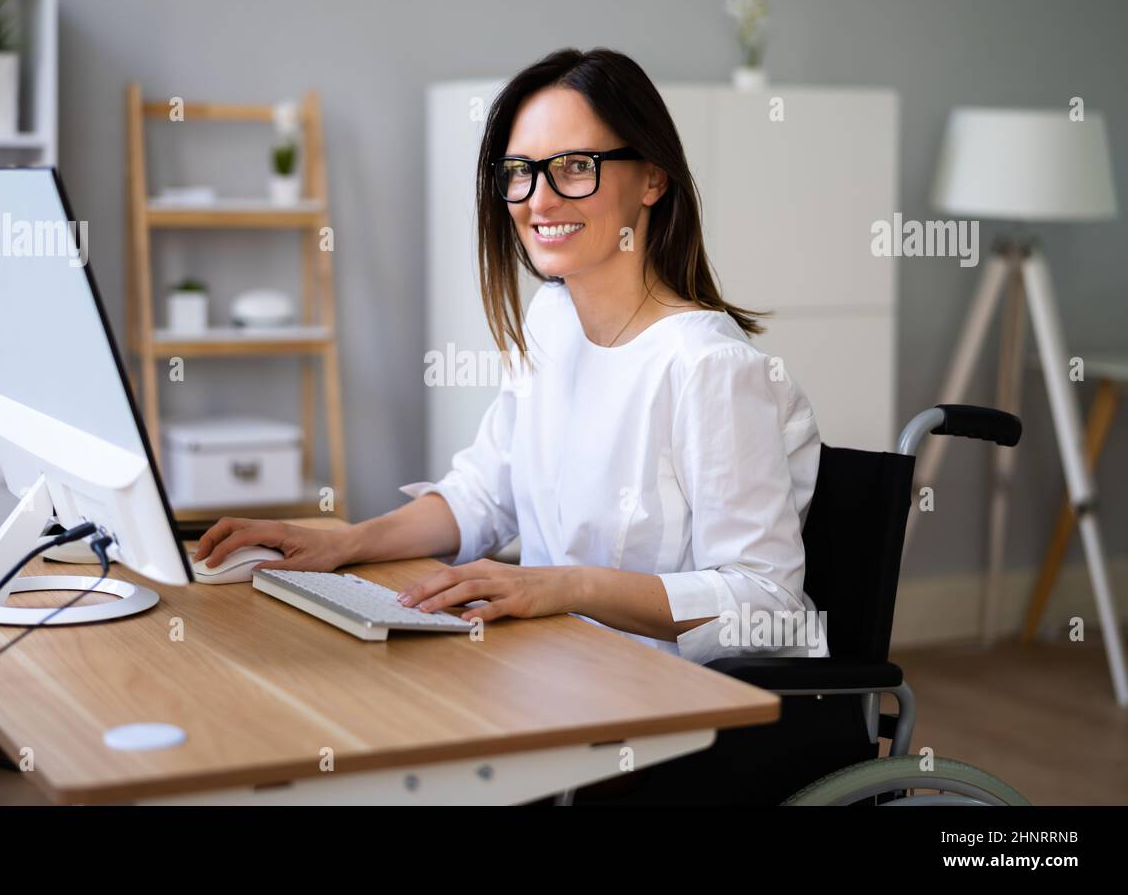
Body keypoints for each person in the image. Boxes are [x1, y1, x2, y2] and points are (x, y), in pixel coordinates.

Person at [195, 46, 826, 666]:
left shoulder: (709, 367)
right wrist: (341, 542)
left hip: (664, 708)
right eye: (519, 171)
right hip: (549, 667)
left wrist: (563, 585)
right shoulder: (552, 318)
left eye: (577, 166)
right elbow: (483, 496)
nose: (538, 200)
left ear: (653, 178)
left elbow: (766, 604)